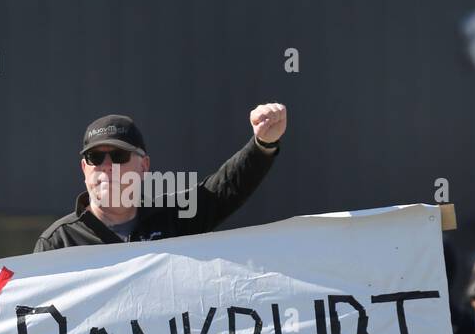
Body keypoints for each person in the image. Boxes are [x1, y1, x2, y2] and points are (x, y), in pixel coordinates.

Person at [34, 104, 287, 251]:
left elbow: (227, 188)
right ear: (84, 168)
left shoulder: (174, 219)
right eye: (95, 158)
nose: (107, 166)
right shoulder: (58, 242)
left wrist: (263, 142)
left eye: (119, 155)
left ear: (144, 166)